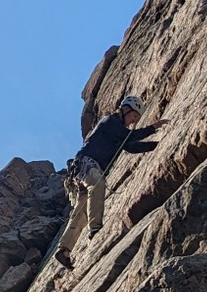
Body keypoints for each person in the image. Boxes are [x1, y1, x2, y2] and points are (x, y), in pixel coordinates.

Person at [56, 95, 161, 268]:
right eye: (134, 116)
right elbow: (129, 137)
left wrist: (155, 145)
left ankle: (64, 250)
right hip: (86, 164)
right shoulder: (110, 121)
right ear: (126, 109)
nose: (132, 121)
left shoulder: (118, 132)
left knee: (81, 212)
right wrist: (152, 128)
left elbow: (130, 146)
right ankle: (95, 228)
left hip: (81, 171)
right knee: (97, 183)